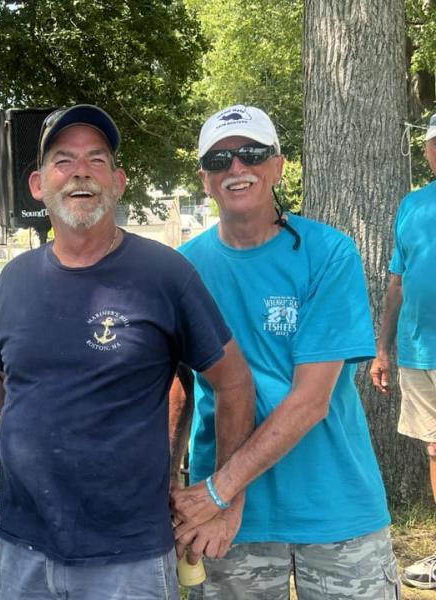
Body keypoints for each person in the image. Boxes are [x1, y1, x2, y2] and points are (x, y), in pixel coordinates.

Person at [0, 104, 256, 600]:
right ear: (39, 185)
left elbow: (234, 382)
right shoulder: (15, 281)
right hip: (24, 546)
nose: (81, 171)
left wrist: (225, 495)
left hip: (128, 554)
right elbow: (9, 393)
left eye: (97, 159)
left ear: (119, 181)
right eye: (63, 160)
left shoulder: (166, 275)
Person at [171, 104, 399, 599]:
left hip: (335, 508)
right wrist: (174, 497)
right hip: (227, 523)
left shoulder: (329, 253)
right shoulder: (181, 270)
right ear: (204, 180)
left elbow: (310, 401)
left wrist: (218, 491)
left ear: (277, 165)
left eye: (251, 154)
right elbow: (175, 394)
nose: (236, 169)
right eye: (219, 161)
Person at [370, 112, 436, 590]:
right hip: (417, 351)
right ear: (427, 149)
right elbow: (396, 282)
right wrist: (382, 348)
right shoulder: (411, 205)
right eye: (435, 141)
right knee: (435, 449)